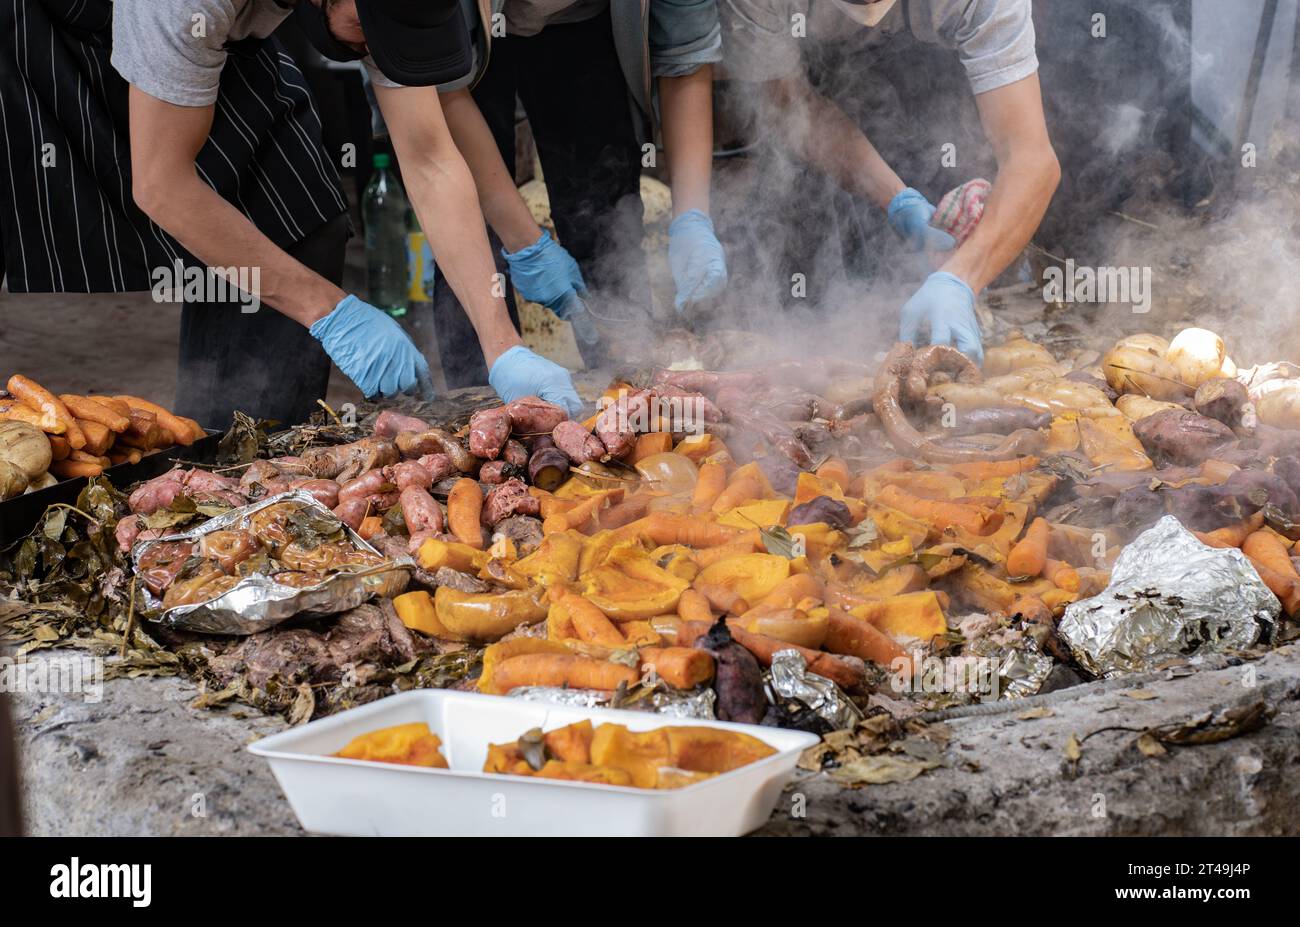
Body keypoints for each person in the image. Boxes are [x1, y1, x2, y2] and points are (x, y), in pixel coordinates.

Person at [0, 0, 582, 425]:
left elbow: (429, 155)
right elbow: (162, 186)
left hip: (217, 36)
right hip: (54, 37)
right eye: (366, 31)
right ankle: (217, 477)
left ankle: (254, 458)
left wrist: (503, 345)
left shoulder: (382, 12)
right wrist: (333, 313)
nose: (373, 50)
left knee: (302, 218)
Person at [719, 0, 1060, 363]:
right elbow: (788, 106)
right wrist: (898, 199)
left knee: (950, 319)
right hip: (817, 132)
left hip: (940, 110)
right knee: (806, 319)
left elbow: (1031, 157)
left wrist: (961, 277)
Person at [426, 0, 727, 387]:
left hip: (584, 28)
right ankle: (479, 400)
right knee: (470, 233)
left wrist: (692, 217)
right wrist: (525, 243)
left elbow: (686, 50)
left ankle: (632, 391)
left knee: (607, 228)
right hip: (459, 50)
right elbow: (441, 93)